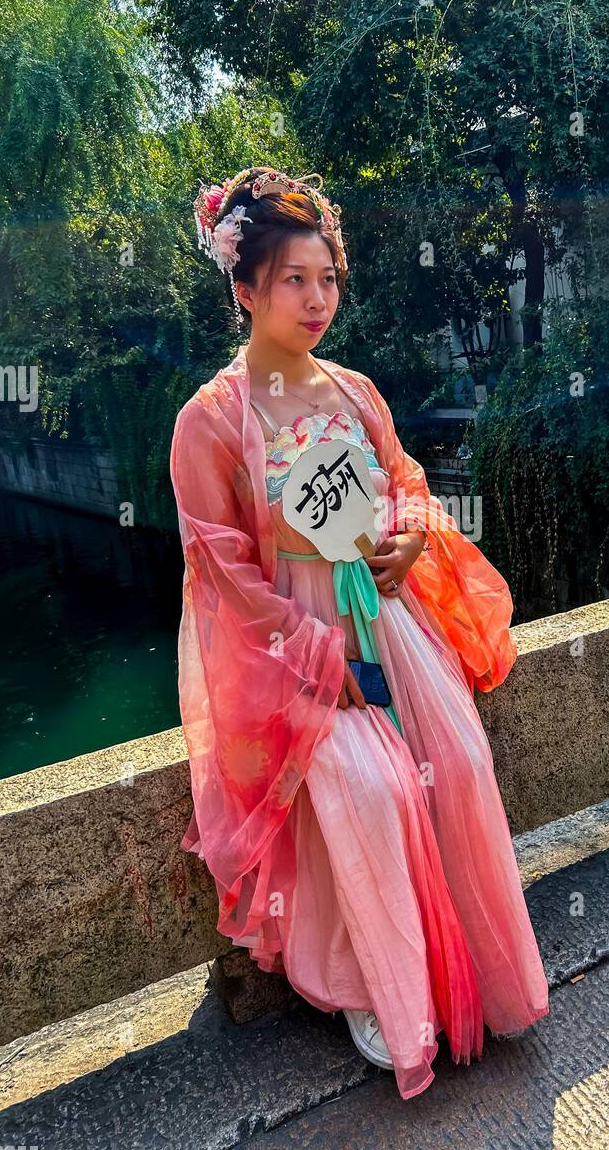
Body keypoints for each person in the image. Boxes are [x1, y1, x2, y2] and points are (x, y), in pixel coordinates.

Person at [170, 164, 549, 1101]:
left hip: (388, 621)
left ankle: (475, 968)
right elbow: (222, 567)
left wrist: (413, 539)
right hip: (289, 652)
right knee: (368, 789)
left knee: (455, 762)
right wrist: (308, 656)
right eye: (294, 279)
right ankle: (375, 986)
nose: (315, 299)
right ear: (245, 286)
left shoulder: (354, 392)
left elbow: (406, 482)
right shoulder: (210, 422)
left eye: (327, 278)